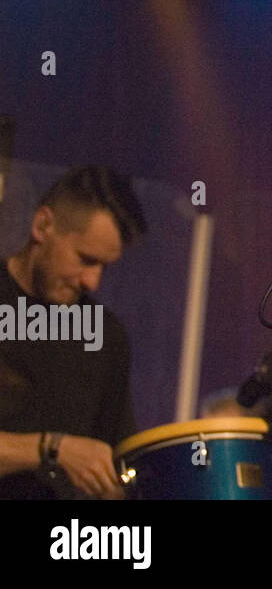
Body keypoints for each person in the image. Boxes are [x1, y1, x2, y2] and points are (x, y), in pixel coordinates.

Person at [0, 166, 147, 498]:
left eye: (104, 267)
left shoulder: (106, 337)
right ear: (42, 225)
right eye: (85, 259)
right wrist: (53, 449)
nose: (92, 282)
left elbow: (117, 461)